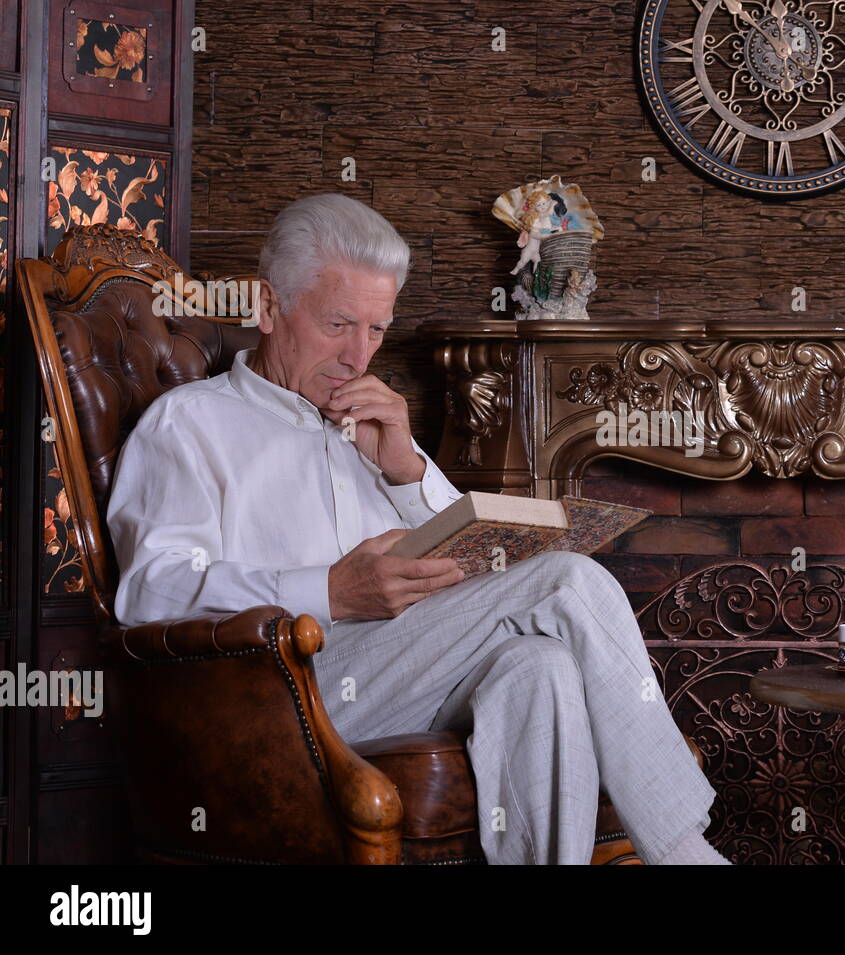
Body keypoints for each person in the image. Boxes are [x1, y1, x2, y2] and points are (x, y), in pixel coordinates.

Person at [106, 193, 729, 865]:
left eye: (376, 329)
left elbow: (474, 580)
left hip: (402, 682)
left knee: (539, 668)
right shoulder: (190, 424)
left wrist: (406, 471)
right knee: (568, 581)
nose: (358, 355)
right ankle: (683, 851)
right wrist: (330, 591)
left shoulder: (375, 427)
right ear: (266, 307)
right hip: (280, 701)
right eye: (339, 323)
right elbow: (152, 593)